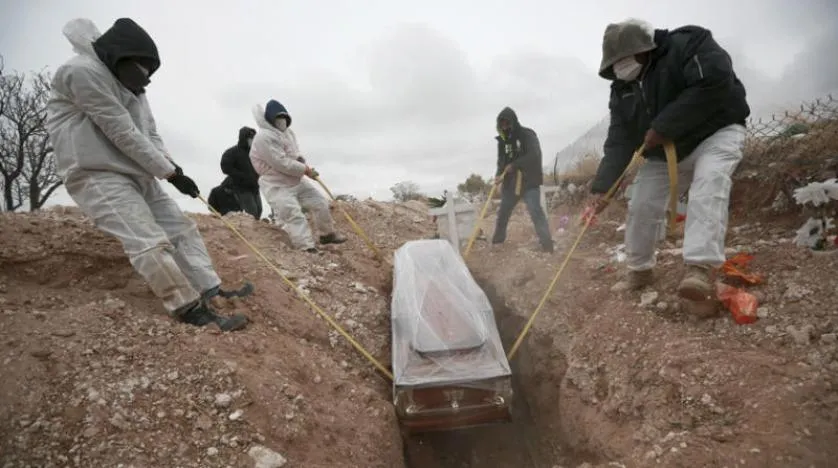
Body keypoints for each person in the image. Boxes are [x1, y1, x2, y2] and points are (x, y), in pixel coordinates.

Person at [45, 18, 252, 331]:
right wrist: (168, 172)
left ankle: (211, 289)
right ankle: (188, 308)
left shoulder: (135, 88)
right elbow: (121, 130)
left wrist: (174, 169)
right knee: (148, 241)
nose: (143, 78)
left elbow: (149, 132)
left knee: (182, 228)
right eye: (139, 70)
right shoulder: (81, 72)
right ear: (120, 56)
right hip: (97, 173)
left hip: (138, 171)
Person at [589, 19, 750, 302]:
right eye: (615, 64)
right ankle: (640, 270)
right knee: (641, 203)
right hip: (663, 150)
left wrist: (663, 125)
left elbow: (713, 83)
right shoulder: (622, 87)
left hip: (715, 133)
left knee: (708, 185)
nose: (620, 68)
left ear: (644, 49)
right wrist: (603, 188)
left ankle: (699, 269)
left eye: (624, 60)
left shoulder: (689, 44)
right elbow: (620, 140)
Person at [249, 99, 347, 253]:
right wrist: (305, 169)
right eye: (278, 118)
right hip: (276, 185)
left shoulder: (288, 133)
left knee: (320, 202)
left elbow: (294, 153)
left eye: (284, 118)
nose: (281, 121)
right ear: (270, 118)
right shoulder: (263, 138)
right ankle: (306, 247)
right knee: (293, 214)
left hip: (295, 180)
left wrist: (301, 161)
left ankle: (327, 234)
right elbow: (280, 163)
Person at [492, 107, 554, 253]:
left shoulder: (528, 135)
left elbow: (535, 154)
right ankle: (497, 243)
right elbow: (501, 161)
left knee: (535, 212)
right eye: (502, 125)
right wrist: (498, 174)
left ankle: (548, 246)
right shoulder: (502, 141)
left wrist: (514, 165)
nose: (505, 127)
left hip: (528, 182)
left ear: (513, 122)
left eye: (507, 124)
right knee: (503, 213)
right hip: (510, 184)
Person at [220, 126, 262, 219]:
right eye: (250, 138)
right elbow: (225, 167)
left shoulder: (255, 153)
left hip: (255, 187)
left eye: (254, 139)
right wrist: (241, 176)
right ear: (244, 138)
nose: (252, 140)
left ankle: (255, 231)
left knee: (259, 210)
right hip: (242, 188)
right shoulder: (232, 152)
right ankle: (250, 232)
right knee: (252, 212)